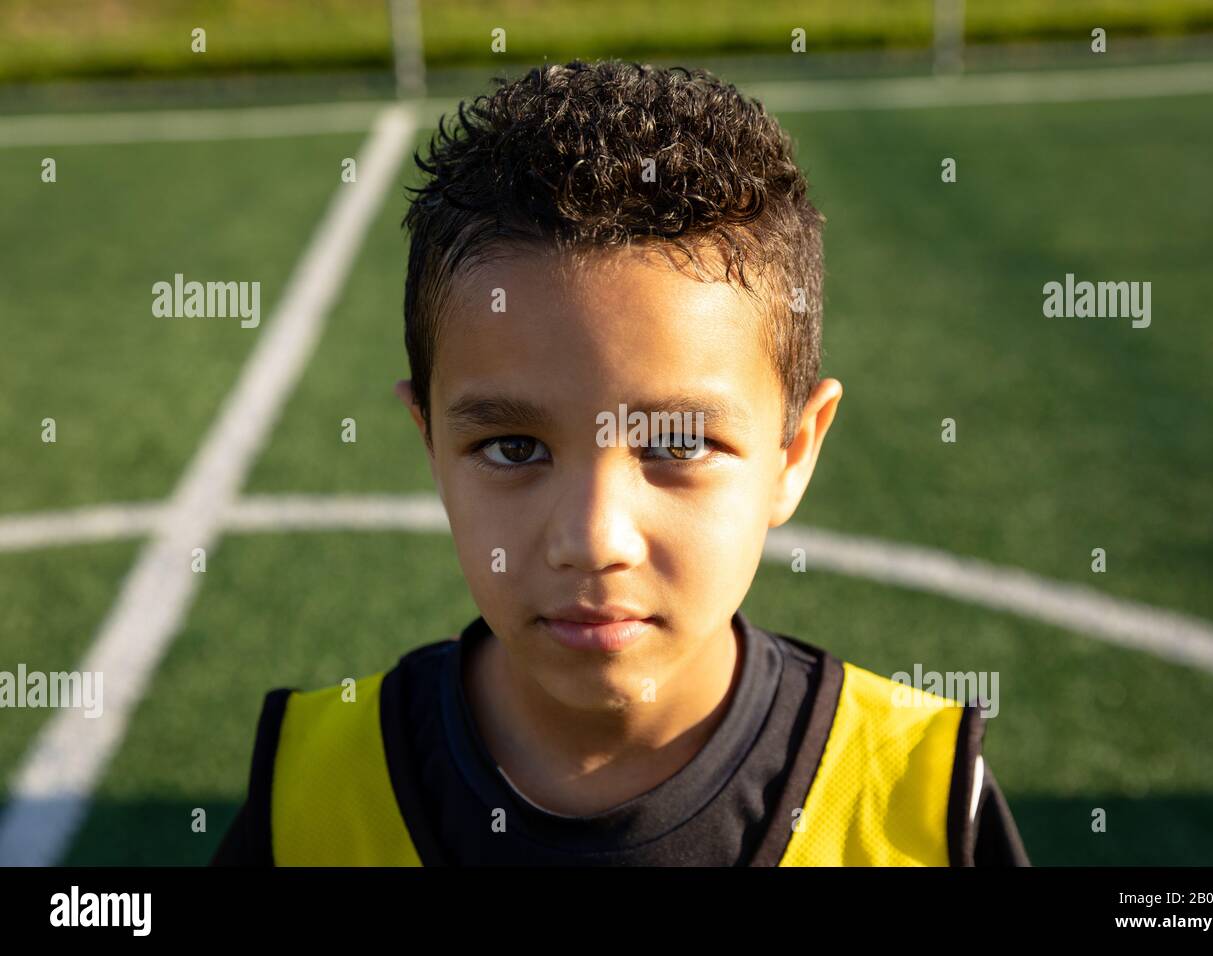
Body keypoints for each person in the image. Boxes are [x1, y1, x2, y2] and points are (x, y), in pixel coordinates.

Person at [212, 59, 1029, 867]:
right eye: (513, 448)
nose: (593, 538)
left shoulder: (917, 797)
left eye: (677, 444)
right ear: (432, 446)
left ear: (792, 454)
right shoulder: (313, 795)